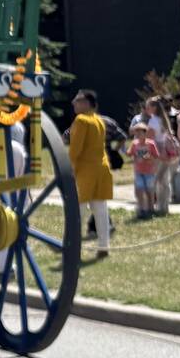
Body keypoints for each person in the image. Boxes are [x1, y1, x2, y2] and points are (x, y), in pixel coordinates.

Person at [69, 89, 114, 255]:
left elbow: (75, 150)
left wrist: (69, 170)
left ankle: (73, 246)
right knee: (100, 209)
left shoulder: (81, 120)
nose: (74, 103)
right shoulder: (99, 120)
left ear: (87, 103)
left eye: (78, 100)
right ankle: (104, 246)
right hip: (101, 168)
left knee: (78, 210)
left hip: (85, 171)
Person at [126, 117, 160, 220]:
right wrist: (127, 152)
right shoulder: (134, 144)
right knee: (140, 190)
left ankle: (151, 208)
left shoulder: (150, 144)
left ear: (145, 133)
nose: (138, 135)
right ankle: (142, 208)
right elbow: (129, 153)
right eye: (137, 133)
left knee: (150, 191)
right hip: (138, 171)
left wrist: (149, 158)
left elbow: (156, 156)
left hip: (149, 171)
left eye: (141, 133)